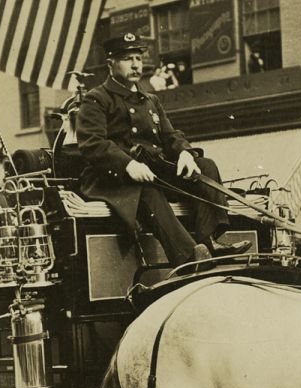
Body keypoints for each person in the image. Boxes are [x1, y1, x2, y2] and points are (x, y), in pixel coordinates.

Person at [75, 32, 250, 266]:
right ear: (110, 64)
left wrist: (185, 153)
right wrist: (128, 164)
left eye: (138, 58)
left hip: (153, 170)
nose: (136, 64)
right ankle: (189, 257)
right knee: (146, 191)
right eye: (128, 59)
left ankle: (209, 242)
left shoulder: (150, 100)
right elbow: (92, 144)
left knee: (205, 166)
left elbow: (170, 136)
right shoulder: (97, 99)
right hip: (113, 178)